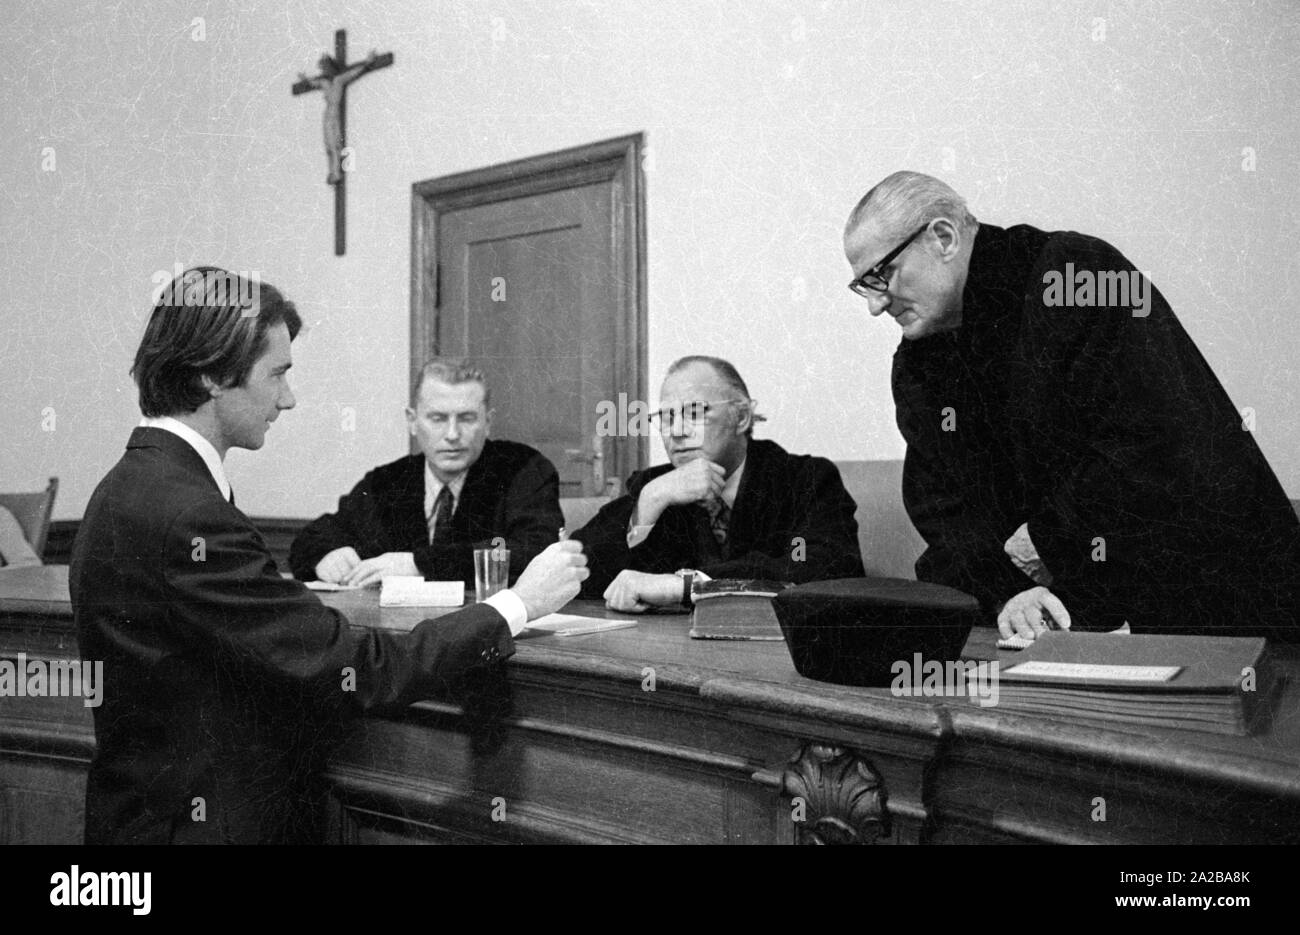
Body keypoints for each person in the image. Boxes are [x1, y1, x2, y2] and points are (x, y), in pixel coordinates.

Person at [69, 267, 588, 844]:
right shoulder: (189, 512)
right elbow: (353, 669)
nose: (288, 399)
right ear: (214, 374)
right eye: (278, 373)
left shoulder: (128, 484)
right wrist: (517, 605)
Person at [842, 171, 1300, 643]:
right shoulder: (917, 362)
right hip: (1058, 623)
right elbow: (944, 510)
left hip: (1217, 606)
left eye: (882, 275)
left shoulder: (1080, 274)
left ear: (942, 237)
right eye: (863, 286)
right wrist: (1007, 595)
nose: (876, 306)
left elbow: (1159, 442)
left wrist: (1046, 540)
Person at [573, 356, 864, 612]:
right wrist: (649, 503)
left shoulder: (804, 478)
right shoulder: (654, 485)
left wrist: (688, 585)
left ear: (741, 417)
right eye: (665, 417)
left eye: (695, 413)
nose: (676, 432)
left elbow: (828, 568)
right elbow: (575, 573)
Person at [289, 359, 564, 589]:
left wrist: (419, 565)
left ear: (488, 422)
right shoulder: (387, 481)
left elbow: (536, 549)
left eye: (467, 418)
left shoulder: (524, 469)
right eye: (438, 418)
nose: (453, 435)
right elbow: (313, 537)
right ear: (412, 421)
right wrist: (325, 555)